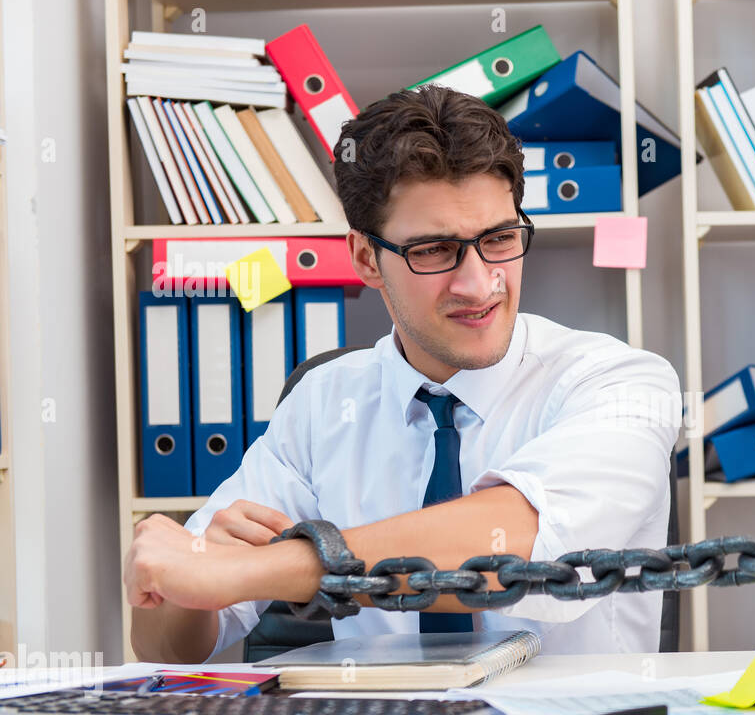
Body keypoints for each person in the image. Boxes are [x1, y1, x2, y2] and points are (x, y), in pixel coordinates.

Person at [124, 85, 682, 663]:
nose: (479, 283)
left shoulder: (621, 383)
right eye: (436, 250)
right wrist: (180, 585)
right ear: (367, 258)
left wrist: (260, 569)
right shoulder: (322, 403)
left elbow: (517, 546)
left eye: (499, 239)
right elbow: (169, 650)